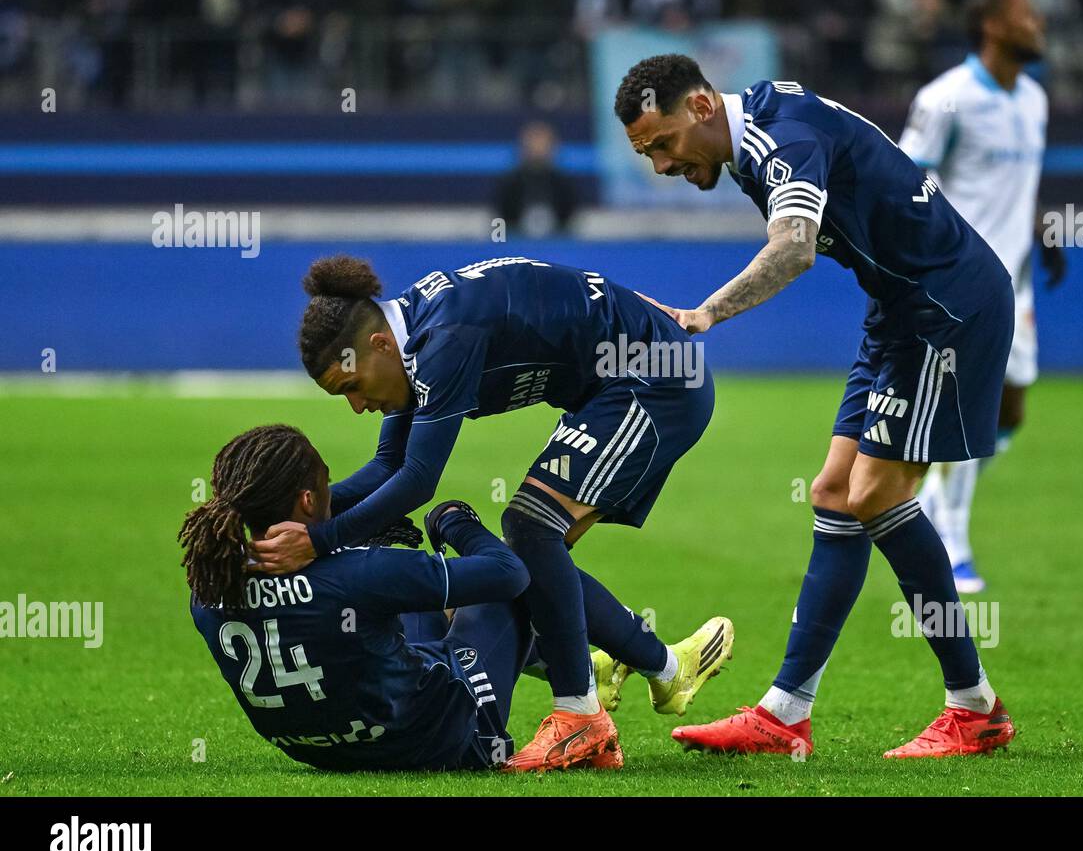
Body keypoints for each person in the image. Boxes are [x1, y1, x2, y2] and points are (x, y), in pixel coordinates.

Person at [614, 53, 1016, 759]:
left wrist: (705, 314)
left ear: (703, 108)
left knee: (873, 493)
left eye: (663, 144)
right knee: (837, 492)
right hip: (896, 309)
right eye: (647, 153)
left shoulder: (779, 136)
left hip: (945, 309)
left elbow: (795, 249)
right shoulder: (747, 140)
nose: (660, 165)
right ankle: (785, 715)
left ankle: (971, 707)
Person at [247, 256, 732, 772]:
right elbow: (388, 465)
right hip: (611, 386)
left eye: (352, 386)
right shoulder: (412, 338)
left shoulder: (445, 339)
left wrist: (319, 543)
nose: (358, 406)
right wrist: (284, 518)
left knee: (530, 528)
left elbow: (417, 481)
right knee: (534, 552)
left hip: (656, 381)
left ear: (378, 346)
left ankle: (582, 716)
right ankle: (660, 667)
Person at [184, 424, 554, 770]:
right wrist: (453, 520)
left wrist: (350, 538)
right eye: (327, 482)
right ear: (309, 500)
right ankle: (577, 681)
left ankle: (561, 656)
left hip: (317, 751)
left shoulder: (209, 585)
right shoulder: (359, 573)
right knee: (516, 566)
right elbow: (507, 573)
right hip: (444, 741)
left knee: (395, 603)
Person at [898, 0, 1061, 593]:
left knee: (1010, 408)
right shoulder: (948, 98)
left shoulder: (1035, 99)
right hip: (962, 281)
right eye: (1026, 14)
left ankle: (939, 494)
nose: (1038, 23)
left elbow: (1020, 183)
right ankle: (953, 541)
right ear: (992, 25)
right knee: (978, 403)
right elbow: (905, 174)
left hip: (1014, 282)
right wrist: (931, 254)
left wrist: (1042, 231)